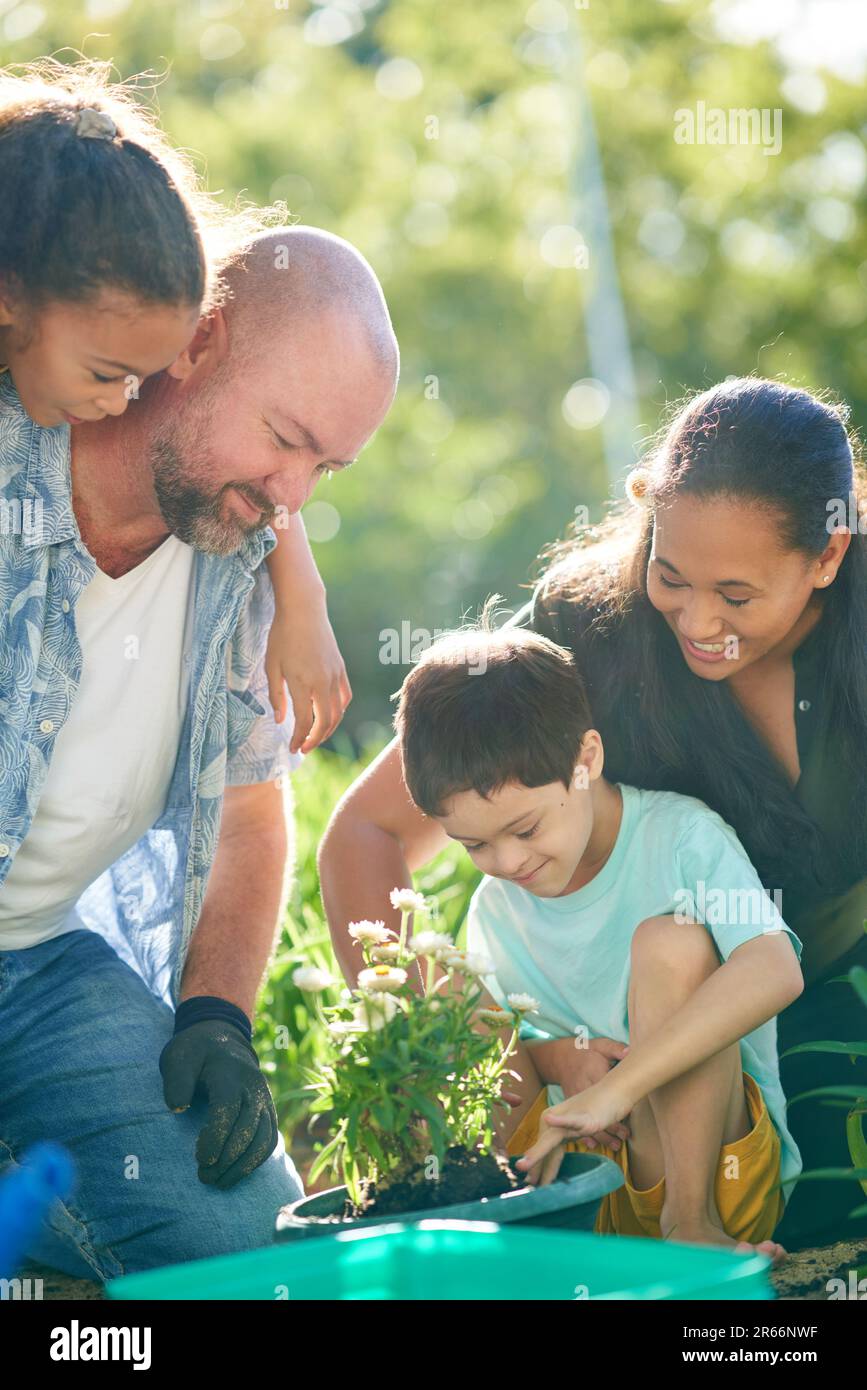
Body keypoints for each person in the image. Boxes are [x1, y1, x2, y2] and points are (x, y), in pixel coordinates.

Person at [319, 376, 867, 1251]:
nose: (696, 621)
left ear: (829, 556)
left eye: (736, 596)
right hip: (641, 1036)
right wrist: (497, 1063)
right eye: (671, 574)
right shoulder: (589, 627)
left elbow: (769, 966)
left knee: (834, 1218)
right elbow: (367, 833)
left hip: (828, 978)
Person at [0, 220, 399, 1280]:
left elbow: (252, 809)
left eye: (328, 465)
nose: (295, 494)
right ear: (198, 341)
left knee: (261, 1266)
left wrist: (216, 1015)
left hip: (38, 964)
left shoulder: (240, 556)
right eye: (287, 437)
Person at [392, 619, 802, 1260]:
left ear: (585, 761)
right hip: (571, 1182)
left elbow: (775, 969)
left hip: (705, 1175)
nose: (505, 861)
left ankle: (689, 1224)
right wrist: (554, 1059)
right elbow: (507, 1049)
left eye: (524, 829)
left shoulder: (681, 837)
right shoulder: (497, 906)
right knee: (460, 1005)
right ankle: (493, 1234)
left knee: (674, 942)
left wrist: (621, 1086)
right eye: (474, 845)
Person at [0, 57, 349, 756]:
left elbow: (264, 459)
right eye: (105, 374)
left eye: (143, 377)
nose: (121, 401)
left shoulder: (93, 330)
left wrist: (302, 595)